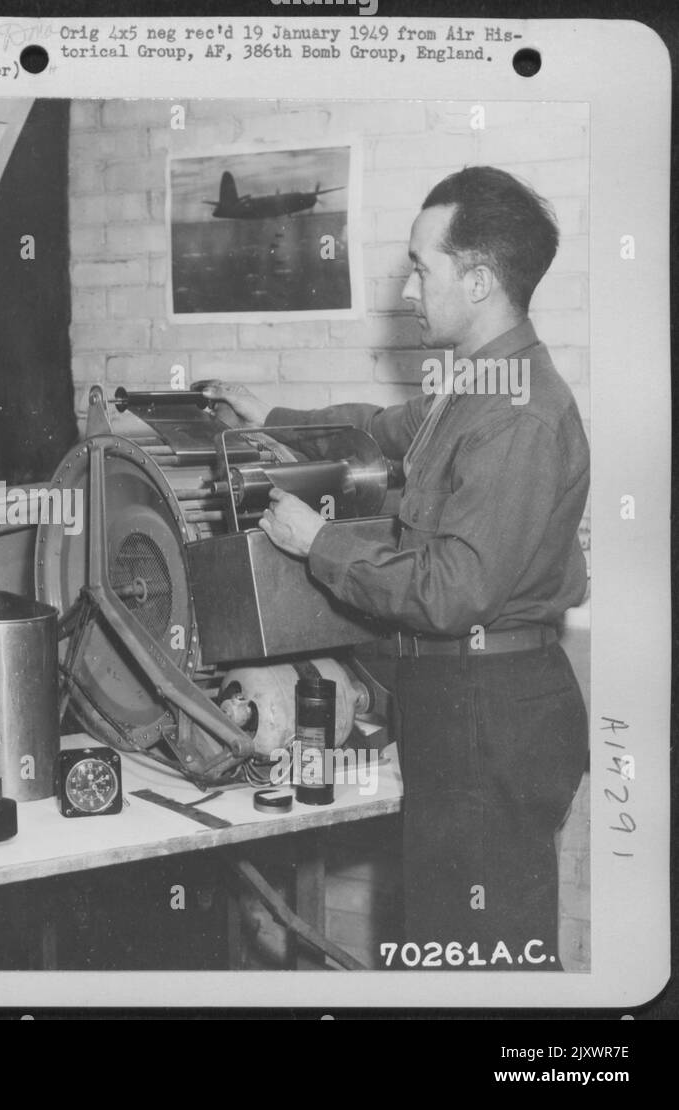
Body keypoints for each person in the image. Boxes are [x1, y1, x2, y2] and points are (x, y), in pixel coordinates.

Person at [204, 166, 589, 968]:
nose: (410, 290)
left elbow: (455, 591)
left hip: (491, 714)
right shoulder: (477, 386)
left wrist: (319, 543)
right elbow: (376, 429)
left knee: (483, 962)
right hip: (464, 709)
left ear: (479, 279)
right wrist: (271, 419)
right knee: (454, 951)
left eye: (422, 266)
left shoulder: (516, 417)